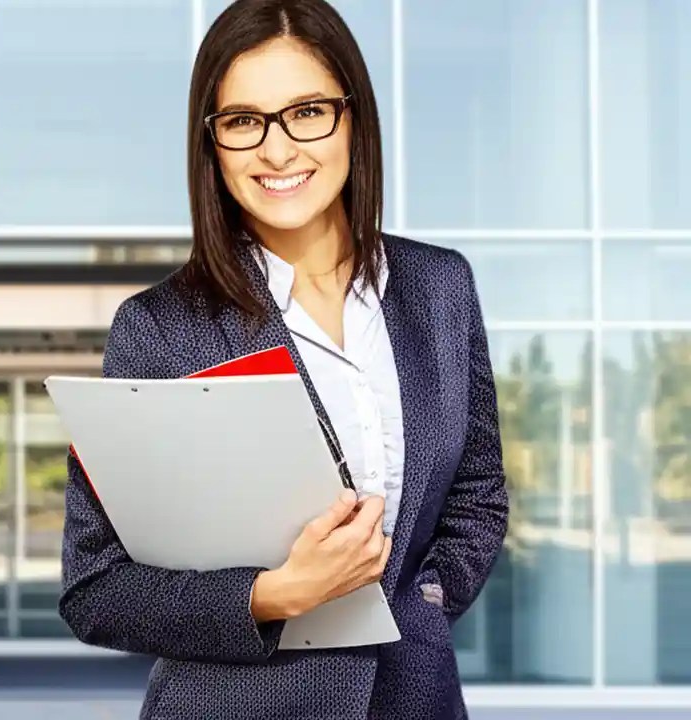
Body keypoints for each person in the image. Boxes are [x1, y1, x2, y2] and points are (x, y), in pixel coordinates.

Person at [57, 0, 509, 718]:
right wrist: (274, 596)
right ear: (211, 145)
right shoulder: (159, 329)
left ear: (353, 118)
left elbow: (477, 494)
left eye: (307, 112)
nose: (277, 150)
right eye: (243, 122)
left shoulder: (440, 287)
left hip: (413, 699)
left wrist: (425, 601)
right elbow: (97, 588)